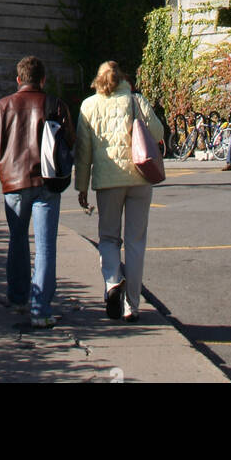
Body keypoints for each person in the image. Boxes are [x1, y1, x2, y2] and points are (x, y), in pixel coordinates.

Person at [0, 55, 75, 328]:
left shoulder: (3, 106)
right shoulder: (55, 105)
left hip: (13, 183)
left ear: (18, 80)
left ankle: (17, 297)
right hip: (46, 183)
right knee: (46, 247)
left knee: (17, 240)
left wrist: (3, 173)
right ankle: (41, 309)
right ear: (43, 79)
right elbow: (69, 143)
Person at [75, 62, 164, 323]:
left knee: (109, 238)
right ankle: (132, 306)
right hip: (139, 178)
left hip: (107, 182)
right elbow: (158, 132)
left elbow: (83, 151)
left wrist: (81, 186)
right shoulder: (136, 100)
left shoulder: (89, 106)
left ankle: (113, 281)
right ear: (123, 78)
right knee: (136, 242)